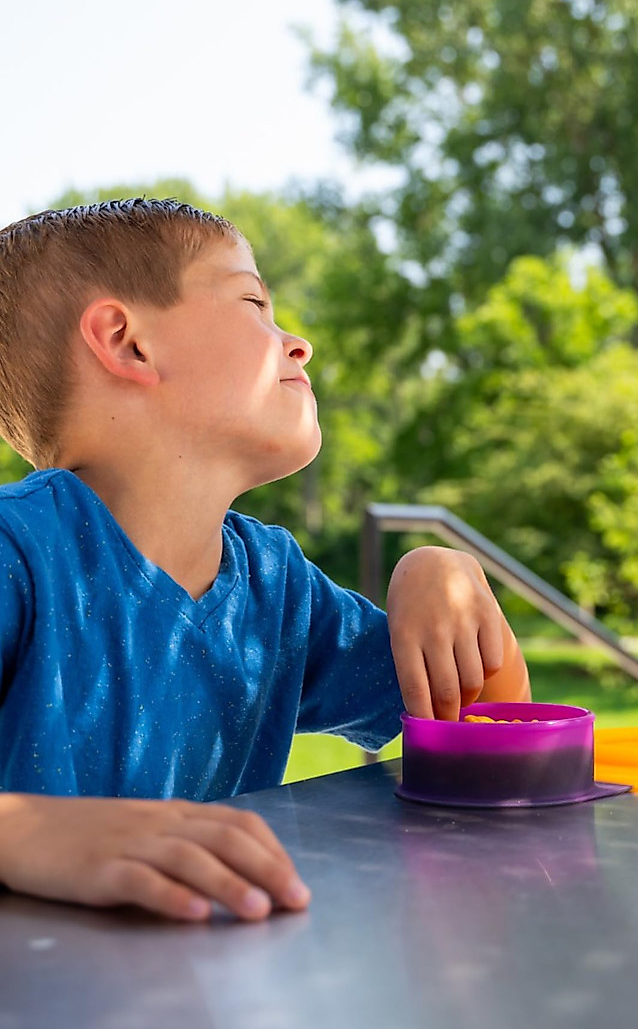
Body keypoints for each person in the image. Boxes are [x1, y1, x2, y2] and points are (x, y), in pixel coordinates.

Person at [0, 198, 530, 922]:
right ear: (128, 343)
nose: (299, 343)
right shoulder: (19, 556)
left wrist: (443, 574)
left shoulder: (277, 590)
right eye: (254, 302)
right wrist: (29, 834)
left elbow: (498, 744)